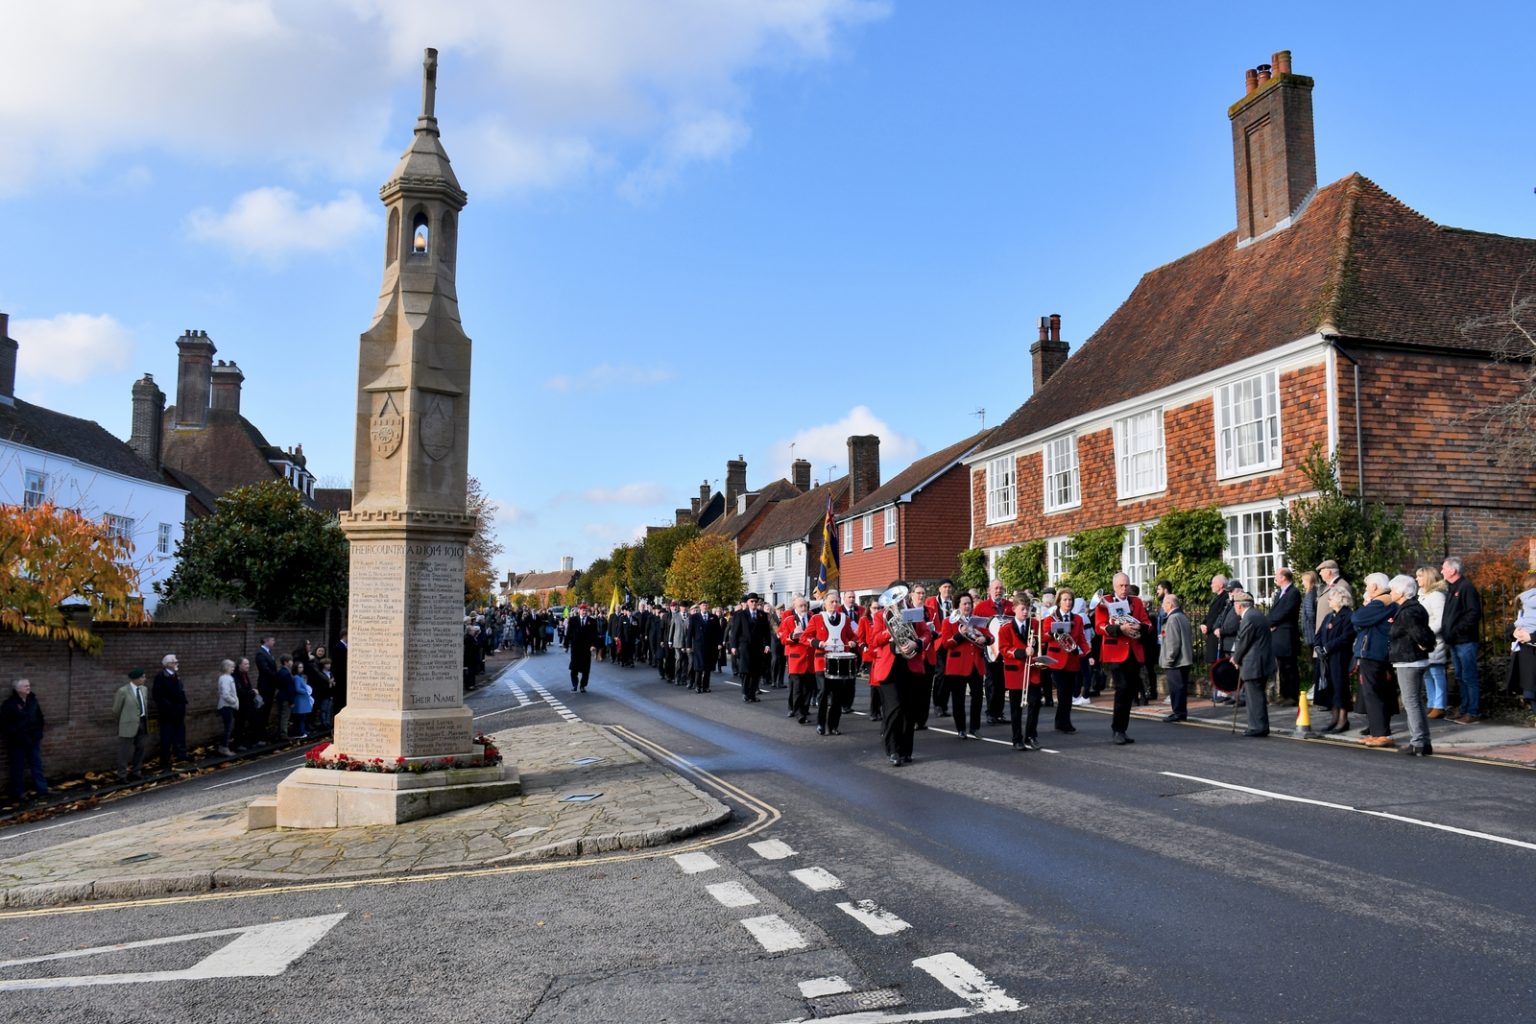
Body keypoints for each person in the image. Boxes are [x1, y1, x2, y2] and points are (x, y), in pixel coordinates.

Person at [867, 593, 931, 765]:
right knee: (894, 708)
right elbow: (873, 640)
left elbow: (926, 634)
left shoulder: (913, 613)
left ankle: (905, 751)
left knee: (909, 710)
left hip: (910, 665)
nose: (898, 602)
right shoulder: (881, 616)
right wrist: (889, 632)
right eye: (894, 599)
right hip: (889, 669)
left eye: (900, 598)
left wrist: (916, 643)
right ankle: (892, 749)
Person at [1094, 573, 1152, 745]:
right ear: (1114, 587)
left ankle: (1123, 729)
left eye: (1126, 585)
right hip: (1116, 652)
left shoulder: (1136, 602)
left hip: (1134, 651)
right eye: (1121, 586)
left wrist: (1138, 626)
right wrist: (1120, 629)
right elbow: (1099, 626)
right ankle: (1117, 729)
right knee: (1122, 688)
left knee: (1130, 691)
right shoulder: (1105, 601)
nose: (1124, 588)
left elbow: (1147, 624)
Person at [1388, 574, 1436, 756]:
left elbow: (1421, 633)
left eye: (1393, 590)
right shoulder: (1412, 608)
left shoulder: (1408, 611)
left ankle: (1418, 742)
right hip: (1411, 659)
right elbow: (1426, 632)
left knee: (1411, 702)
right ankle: (1423, 741)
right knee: (1414, 702)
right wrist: (1428, 643)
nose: (1391, 593)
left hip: (1409, 660)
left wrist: (1426, 643)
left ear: (1400, 592)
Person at [1351, 573, 1397, 747]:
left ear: (1375, 587)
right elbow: (1358, 623)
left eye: (1367, 586)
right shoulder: (1386, 602)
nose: (1365, 589)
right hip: (1375, 652)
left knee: (1373, 693)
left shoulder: (1380, 602)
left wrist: (1367, 612)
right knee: (1375, 693)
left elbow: (1356, 618)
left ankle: (1382, 733)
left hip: (1373, 653)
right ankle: (1378, 732)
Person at [805, 590, 857, 734]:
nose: (834, 604)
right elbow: (805, 637)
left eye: (836, 602)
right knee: (823, 694)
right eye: (831, 602)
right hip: (822, 661)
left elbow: (854, 636)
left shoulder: (845, 618)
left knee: (837, 696)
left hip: (839, 662)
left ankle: (833, 725)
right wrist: (818, 643)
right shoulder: (816, 618)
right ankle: (821, 724)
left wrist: (853, 642)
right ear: (825, 604)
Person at [940, 593, 991, 740]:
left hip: (975, 664)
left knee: (977, 697)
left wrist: (984, 638)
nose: (968, 606)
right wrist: (959, 634)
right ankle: (961, 728)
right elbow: (945, 643)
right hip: (957, 665)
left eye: (969, 603)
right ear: (958, 606)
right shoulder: (948, 622)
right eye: (964, 604)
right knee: (958, 698)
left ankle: (975, 727)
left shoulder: (977, 621)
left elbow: (991, 637)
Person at [995, 601, 1042, 750]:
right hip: (1015, 670)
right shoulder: (1006, 629)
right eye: (1022, 609)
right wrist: (1022, 652)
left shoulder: (1034, 624)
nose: (1025, 612)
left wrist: (1036, 646)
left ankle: (1031, 735)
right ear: (1014, 609)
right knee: (1016, 708)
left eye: (1027, 609)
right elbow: (1004, 649)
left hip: (1032, 670)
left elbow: (1040, 643)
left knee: (1035, 703)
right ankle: (1017, 738)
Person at [1442, 556, 1483, 723]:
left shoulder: (1466, 588)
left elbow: (1473, 613)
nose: (1442, 571)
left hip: (1465, 640)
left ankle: (1473, 711)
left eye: (1444, 568)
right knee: (1460, 676)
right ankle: (1465, 707)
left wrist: (1457, 630)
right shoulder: (1452, 588)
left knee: (1469, 676)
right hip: (1455, 641)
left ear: (1452, 570)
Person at [1231, 591, 1276, 737]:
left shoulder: (1249, 618)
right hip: (1260, 662)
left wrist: (1235, 658)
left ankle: (1258, 727)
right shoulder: (1256, 615)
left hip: (1254, 663)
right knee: (1257, 695)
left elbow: (1244, 641)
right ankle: (1259, 725)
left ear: (1239, 606)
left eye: (1234, 605)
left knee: (1254, 696)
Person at [1042, 588, 1087, 734]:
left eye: (1070, 600)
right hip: (1056, 660)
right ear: (1059, 602)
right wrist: (1052, 633)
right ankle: (1064, 722)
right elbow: (1043, 637)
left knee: (1068, 692)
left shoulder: (1078, 619)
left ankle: (1060, 720)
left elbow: (1081, 638)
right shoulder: (1051, 618)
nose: (1068, 602)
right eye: (1065, 600)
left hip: (1072, 659)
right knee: (1062, 692)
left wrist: (1089, 653)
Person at [1315, 586, 1357, 733]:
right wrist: (1318, 646)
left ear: (1340, 599)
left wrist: (1328, 647)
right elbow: (1319, 634)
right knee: (1330, 688)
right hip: (1326, 658)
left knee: (1341, 688)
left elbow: (1346, 637)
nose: (1329, 600)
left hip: (1340, 657)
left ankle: (1343, 720)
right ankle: (1334, 718)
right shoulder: (1329, 616)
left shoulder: (1348, 616)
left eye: (1331, 598)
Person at [973, 580, 1012, 725]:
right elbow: (975, 627)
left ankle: (999, 712)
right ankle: (990, 712)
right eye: (996, 588)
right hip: (989, 648)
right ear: (989, 590)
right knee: (991, 681)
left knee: (1002, 682)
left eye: (1001, 588)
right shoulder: (981, 607)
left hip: (1005, 649)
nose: (998, 590)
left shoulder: (1009, 606)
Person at [2, 679, 47, 802]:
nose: (28, 687)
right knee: (17, 767)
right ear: (18, 689)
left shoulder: (33, 701)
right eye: (25, 686)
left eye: (29, 685)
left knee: (36, 765)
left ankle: (42, 790)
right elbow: (6, 725)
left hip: (33, 740)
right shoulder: (9, 704)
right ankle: (17, 793)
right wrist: (18, 736)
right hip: (18, 743)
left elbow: (40, 718)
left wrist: (38, 734)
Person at [1415, 566, 1450, 719]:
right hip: (1424, 640)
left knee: (1437, 673)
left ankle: (1440, 705)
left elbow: (1440, 620)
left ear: (1428, 577)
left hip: (1434, 641)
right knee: (1427, 674)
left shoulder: (1436, 596)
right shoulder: (1422, 596)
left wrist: (1425, 635)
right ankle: (1431, 702)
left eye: (1420, 576)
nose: (1417, 579)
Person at [779, 595, 817, 725]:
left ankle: (804, 710)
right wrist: (793, 635)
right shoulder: (789, 620)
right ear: (795, 607)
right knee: (797, 689)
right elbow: (783, 639)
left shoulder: (813, 618)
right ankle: (798, 713)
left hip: (811, 659)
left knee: (808, 689)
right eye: (801, 606)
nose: (804, 608)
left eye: (805, 605)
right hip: (796, 659)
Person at [730, 593, 774, 703]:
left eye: (755, 601)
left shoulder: (762, 615)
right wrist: (733, 646)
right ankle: (745, 693)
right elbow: (735, 632)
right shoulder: (740, 614)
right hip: (745, 647)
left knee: (757, 671)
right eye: (752, 601)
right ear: (748, 603)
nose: (754, 603)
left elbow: (766, 632)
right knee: (746, 671)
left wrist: (767, 644)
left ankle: (752, 694)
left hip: (758, 647)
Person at [1268, 567, 1302, 705]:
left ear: (1283, 577)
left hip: (1287, 633)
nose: (1275, 578)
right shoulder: (1279, 593)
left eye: (1277, 575)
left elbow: (1287, 612)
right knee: (1281, 667)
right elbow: (1274, 611)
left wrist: (1272, 622)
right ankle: (1284, 695)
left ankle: (1292, 696)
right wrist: (1269, 622)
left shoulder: (1293, 592)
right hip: (1278, 634)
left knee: (1290, 666)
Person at [1159, 593, 1194, 722]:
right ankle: (1180, 711)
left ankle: (1178, 712)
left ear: (1170, 604)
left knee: (1176, 688)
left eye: (1164, 603)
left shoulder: (1173, 618)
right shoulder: (1182, 616)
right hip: (1184, 659)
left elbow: (1173, 642)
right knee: (1180, 687)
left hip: (1176, 661)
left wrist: (1169, 659)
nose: (1162, 606)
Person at [112, 668, 151, 781]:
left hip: (142, 722)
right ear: (136, 679)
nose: (145, 679)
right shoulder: (123, 691)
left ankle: (136, 772)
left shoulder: (144, 689)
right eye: (143, 677)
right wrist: (124, 720)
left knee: (141, 748)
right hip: (128, 724)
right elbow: (116, 710)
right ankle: (122, 775)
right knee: (124, 751)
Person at [152, 653, 189, 769]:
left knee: (180, 734)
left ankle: (181, 754)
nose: (176, 664)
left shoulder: (176, 675)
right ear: (167, 664)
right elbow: (158, 695)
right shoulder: (160, 677)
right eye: (174, 662)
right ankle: (165, 760)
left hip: (179, 711)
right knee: (166, 736)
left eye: (176, 662)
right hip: (167, 713)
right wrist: (168, 707)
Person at [1508, 573, 1536, 710]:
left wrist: (1516, 633)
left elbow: (1515, 625)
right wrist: (1514, 633)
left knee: (1531, 692)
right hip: (1529, 652)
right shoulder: (1525, 605)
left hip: (1527, 654)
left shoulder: (1523, 603)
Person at [689, 601, 723, 693]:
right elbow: (690, 633)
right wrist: (688, 645)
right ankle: (698, 686)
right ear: (700, 607)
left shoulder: (713, 617)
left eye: (706, 605)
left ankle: (706, 686)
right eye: (703, 605)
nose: (705, 607)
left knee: (708, 667)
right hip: (699, 645)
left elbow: (718, 631)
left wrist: (719, 643)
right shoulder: (694, 617)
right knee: (699, 667)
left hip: (710, 645)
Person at [566, 603, 600, 692]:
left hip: (586, 648)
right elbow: (569, 633)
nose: (584, 612)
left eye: (585, 610)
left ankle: (583, 686)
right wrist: (566, 645)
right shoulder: (573, 620)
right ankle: (574, 685)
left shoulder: (592, 621)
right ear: (579, 611)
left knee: (585, 669)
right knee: (574, 668)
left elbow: (595, 635)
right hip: (575, 648)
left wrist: (593, 645)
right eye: (582, 610)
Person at [254, 635, 280, 740]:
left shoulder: (268, 653)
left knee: (267, 710)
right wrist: (277, 677)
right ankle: (259, 735)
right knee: (263, 710)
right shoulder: (261, 654)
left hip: (270, 686)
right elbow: (265, 670)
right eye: (273, 640)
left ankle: (263, 733)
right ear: (266, 641)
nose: (274, 642)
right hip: (265, 686)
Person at [232, 656, 260, 750]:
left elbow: (247, 687)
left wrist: (252, 691)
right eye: (245, 664)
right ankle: (238, 744)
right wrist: (252, 692)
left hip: (248, 703)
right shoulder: (236, 676)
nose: (248, 666)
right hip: (241, 704)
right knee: (240, 724)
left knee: (253, 721)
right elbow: (240, 691)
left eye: (248, 663)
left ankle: (252, 741)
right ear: (239, 665)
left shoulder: (245, 674)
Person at [215, 659, 239, 756]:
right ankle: (224, 748)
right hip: (227, 706)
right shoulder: (226, 678)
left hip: (226, 705)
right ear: (226, 667)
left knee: (228, 727)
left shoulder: (226, 677)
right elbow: (225, 694)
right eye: (231, 667)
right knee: (228, 728)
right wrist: (234, 701)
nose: (233, 668)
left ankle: (223, 747)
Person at [292, 665, 315, 739]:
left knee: (303, 717)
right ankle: (300, 732)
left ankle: (302, 730)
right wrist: (305, 691)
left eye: (302, 667)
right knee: (300, 717)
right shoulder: (296, 678)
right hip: (300, 700)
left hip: (303, 699)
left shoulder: (300, 677)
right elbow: (297, 688)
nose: (302, 669)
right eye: (300, 667)